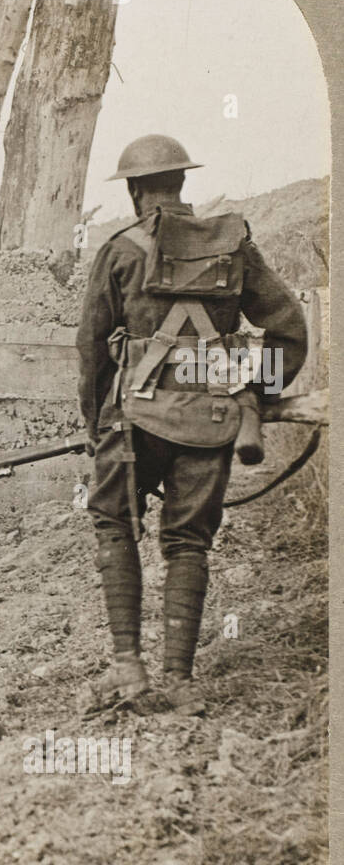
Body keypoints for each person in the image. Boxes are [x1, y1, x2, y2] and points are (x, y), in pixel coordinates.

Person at [77, 135, 308, 706]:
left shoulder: (120, 250)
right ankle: (179, 680)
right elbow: (291, 331)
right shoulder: (232, 247)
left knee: (113, 523)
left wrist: (92, 421)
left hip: (133, 422)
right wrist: (252, 391)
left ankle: (128, 668)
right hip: (213, 420)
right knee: (188, 542)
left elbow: (89, 348)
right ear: (182, 185)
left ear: (134, 191)